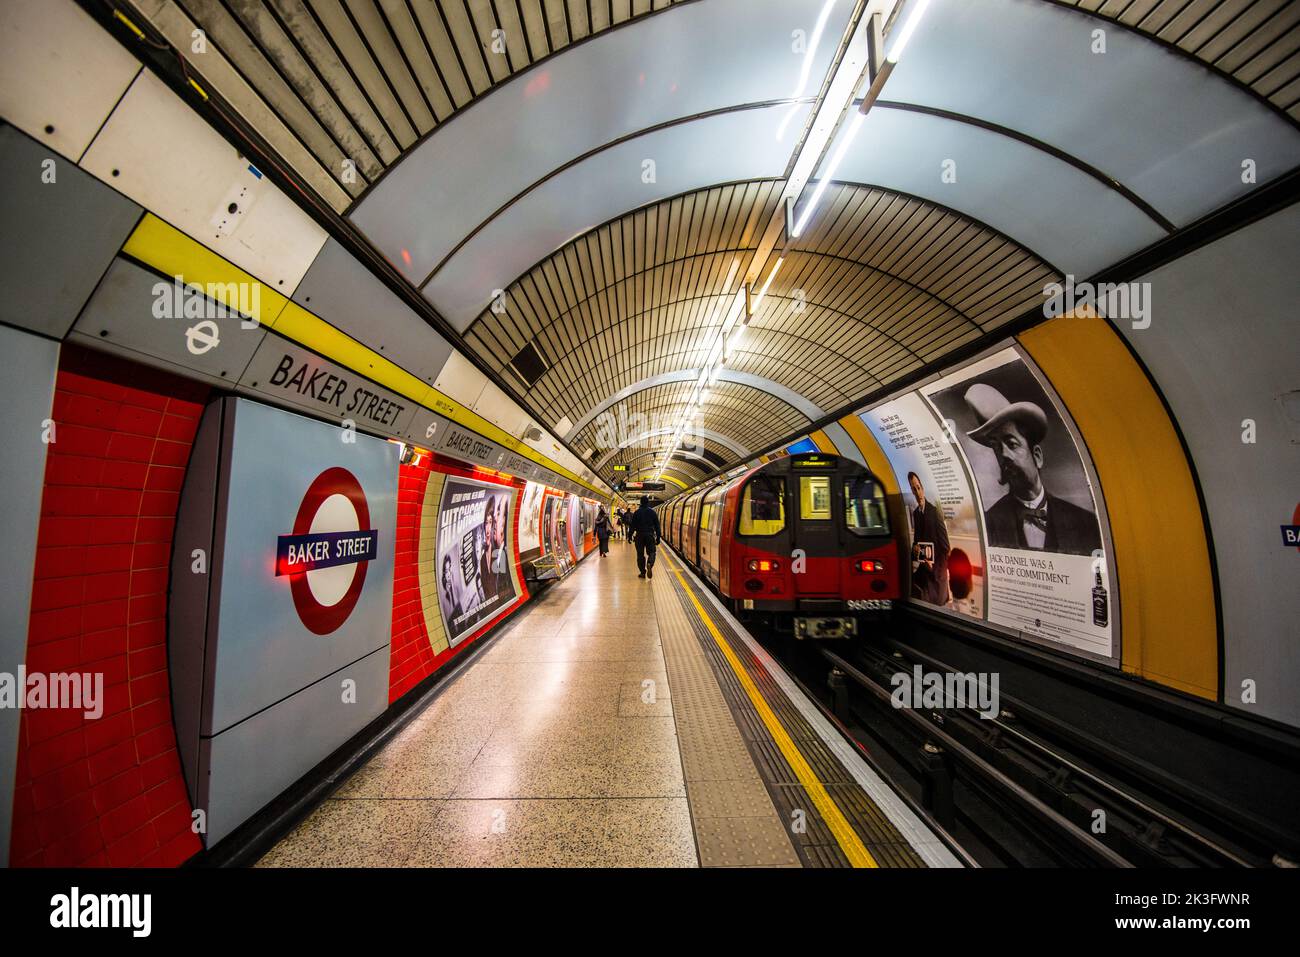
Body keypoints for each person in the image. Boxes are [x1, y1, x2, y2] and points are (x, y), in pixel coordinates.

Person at [964, 383, 1101, 556]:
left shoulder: (1085, 522)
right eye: (997, 447)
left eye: (1012, 444)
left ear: (1037, 455)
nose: (1004, 455)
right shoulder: (989, 522)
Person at [907, 471, 950, 605]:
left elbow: (946, 547)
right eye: (914, 489)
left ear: (923, 488)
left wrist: (934, 567)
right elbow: (917, 542)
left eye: (918, 487)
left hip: (936, 573)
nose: (917, 491)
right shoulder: (916, 514)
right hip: (924, 570)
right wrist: (915, 553)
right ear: (912, 491)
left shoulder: (935, 511)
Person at [630, 496, 661, 579]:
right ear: (648, 503)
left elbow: (632, 525)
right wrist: (658, 537)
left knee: (640, 555)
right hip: (650, 535)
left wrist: (629, 536)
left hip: (639, 536)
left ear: (640, 502)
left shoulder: (637, 512)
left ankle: (642, 572)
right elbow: (657, 526)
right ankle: (650, 563)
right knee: (652, 552)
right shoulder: (652, 512)